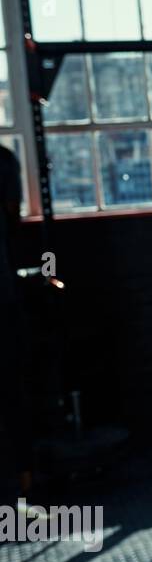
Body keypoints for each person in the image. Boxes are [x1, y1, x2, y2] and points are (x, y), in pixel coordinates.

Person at [0, 143, 35, 499]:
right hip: (3, 298)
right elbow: (14, 217)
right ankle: (23, 480)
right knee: (12, 387)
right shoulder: (3, 161)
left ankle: (22, 479)